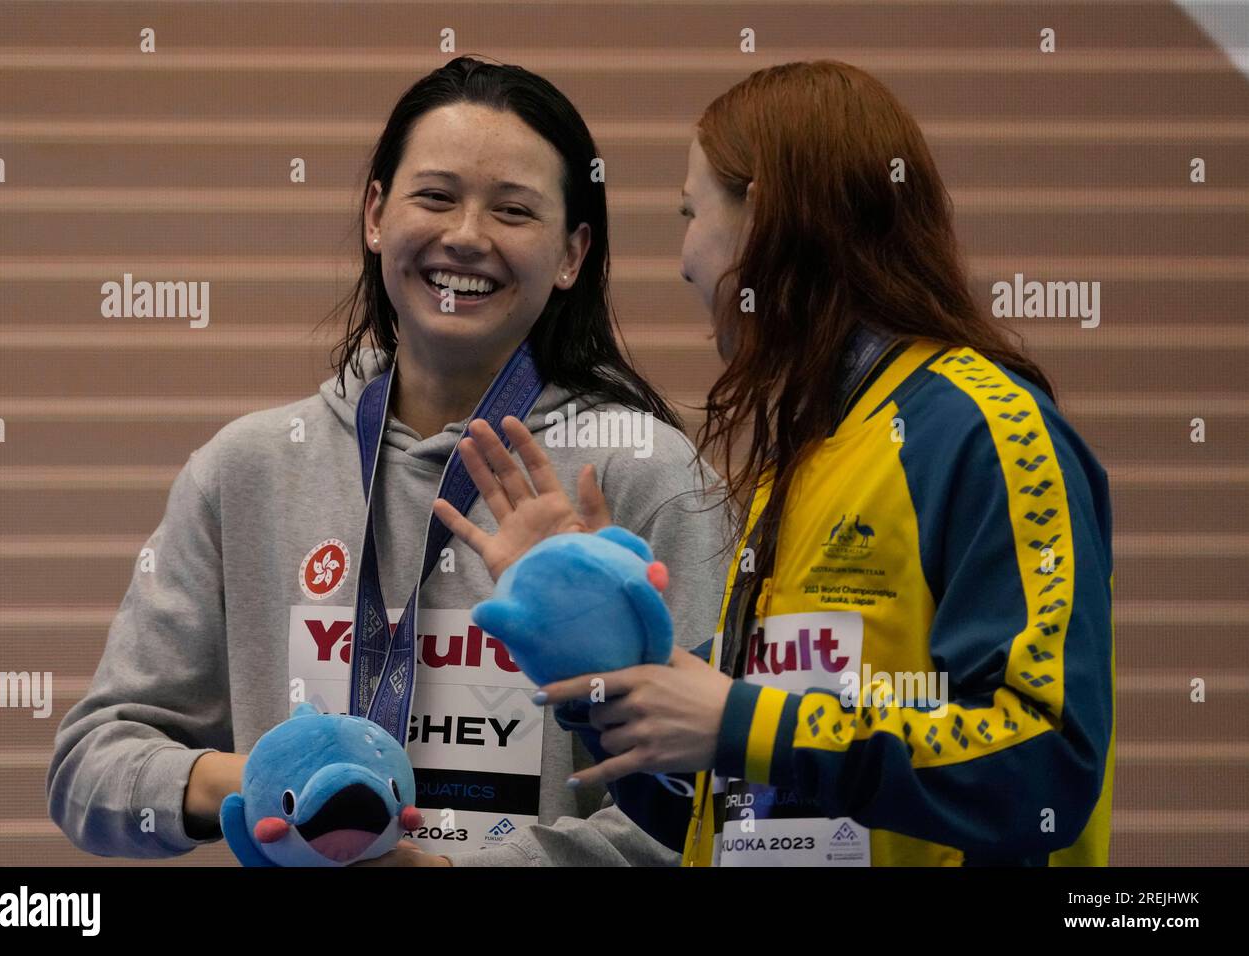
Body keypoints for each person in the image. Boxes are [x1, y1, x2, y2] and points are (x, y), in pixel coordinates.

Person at [46, 56, 731, 867]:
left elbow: (703, 811)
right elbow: (89, 770)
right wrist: (281, 787)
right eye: (435, 197)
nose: (467, 236)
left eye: (513, 210)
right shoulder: (250, 469)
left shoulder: (640, 474)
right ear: (376, 214)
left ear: (573, 252)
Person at [442, 60, 1115, 866]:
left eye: (692, 214)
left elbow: (1046, 763)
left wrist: (744, 722)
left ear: (762, 216)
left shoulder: (986, 430)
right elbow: (722, 814)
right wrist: (597, 655)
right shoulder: (800, 462)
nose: (685, 260)